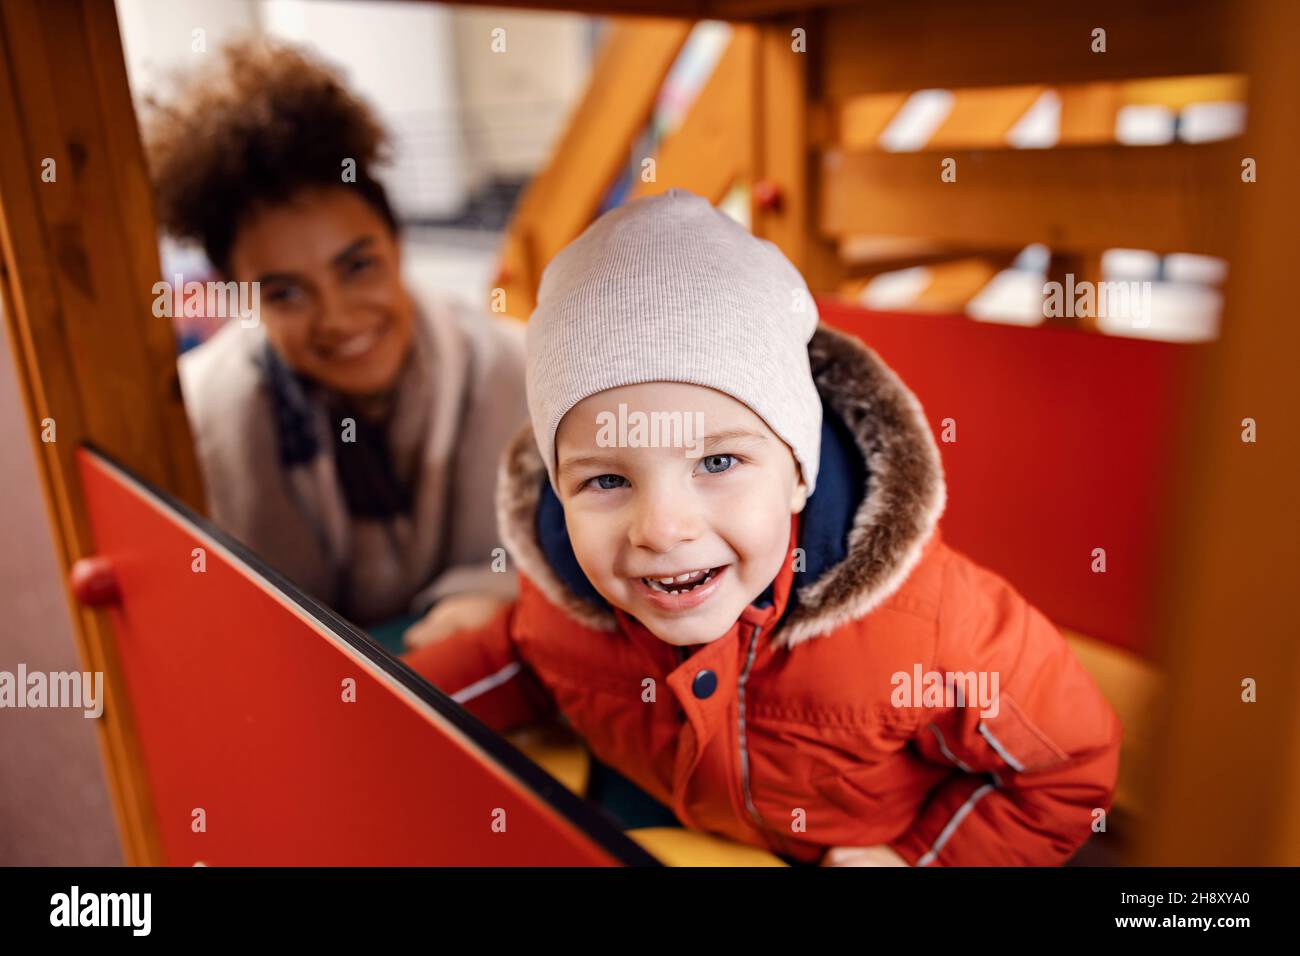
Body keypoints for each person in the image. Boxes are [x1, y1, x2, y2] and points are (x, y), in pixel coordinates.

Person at [405, 189, 1121, 866]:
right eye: (606, 480)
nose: (662, 527)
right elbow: (527, 661)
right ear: (558, 488)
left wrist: (922, 860)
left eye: (717, 460)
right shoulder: (566, 601)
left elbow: (1069, 769)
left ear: (798, 468)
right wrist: (387, 706)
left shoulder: (931, 634)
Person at [145, 40, 525, 644]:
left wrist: (488, 597)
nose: (338, 319)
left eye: (358, 267)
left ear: (398, 244)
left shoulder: (513, 370)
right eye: (287, 294)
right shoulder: (203, 418)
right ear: (243, 297)